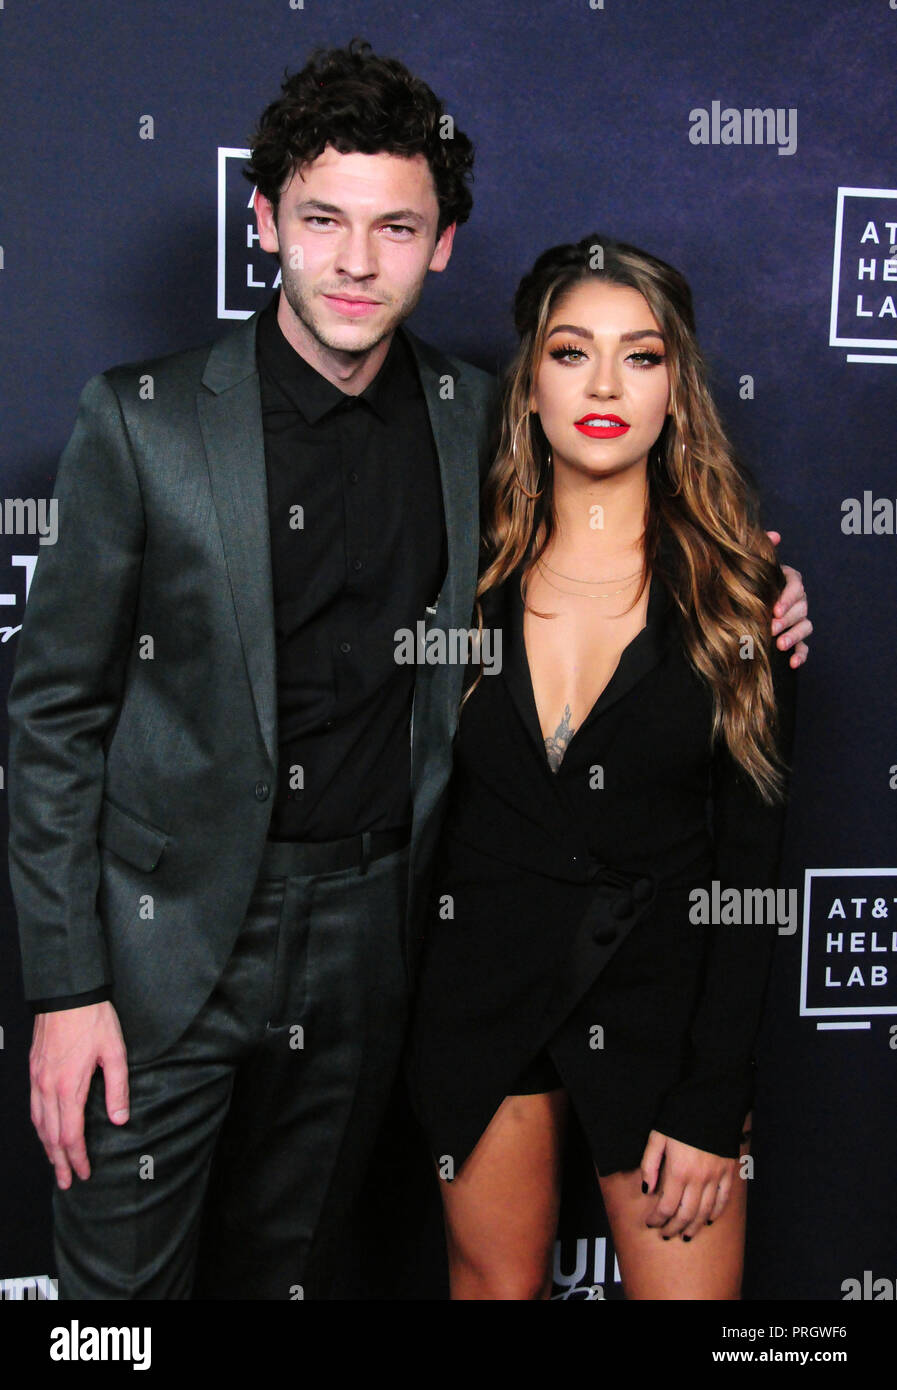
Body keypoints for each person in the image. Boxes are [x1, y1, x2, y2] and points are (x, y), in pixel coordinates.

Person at [7, 41, 809, 1300]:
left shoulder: (478, 418)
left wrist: (751, 588)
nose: (356, 261)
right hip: (161, 949)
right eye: (324, 219)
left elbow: (619, 482)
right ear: (266, 220)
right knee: (118, 1306)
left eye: (397, 227)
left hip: (376, 944)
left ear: (442, 249)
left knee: (295, 1273)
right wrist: (66, 987)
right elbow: (52, 716)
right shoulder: (141, 419)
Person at [406, 233, 800, 1300]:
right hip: (482, 999)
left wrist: (715, 1092)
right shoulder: (459, 573)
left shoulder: (741, 599)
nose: (606, 386)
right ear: (529, 380)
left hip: (667, 1018)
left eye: (642, 356)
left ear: (677, 387)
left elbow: (753, 874)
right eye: (574, 352)